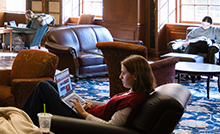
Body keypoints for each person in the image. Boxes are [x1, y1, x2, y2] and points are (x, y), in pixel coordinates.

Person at [22, 54, 156, 126]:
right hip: (87, 113)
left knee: (43, 87)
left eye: (124, 73)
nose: (120, 76)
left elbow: (111, 127)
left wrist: (84, 113)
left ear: (136, 76)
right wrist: (89, 104)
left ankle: (22, 121)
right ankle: (26, 121)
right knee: (49, 83)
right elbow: (109, 108)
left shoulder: (132, 102)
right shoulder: (134, 92)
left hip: (81, 122)